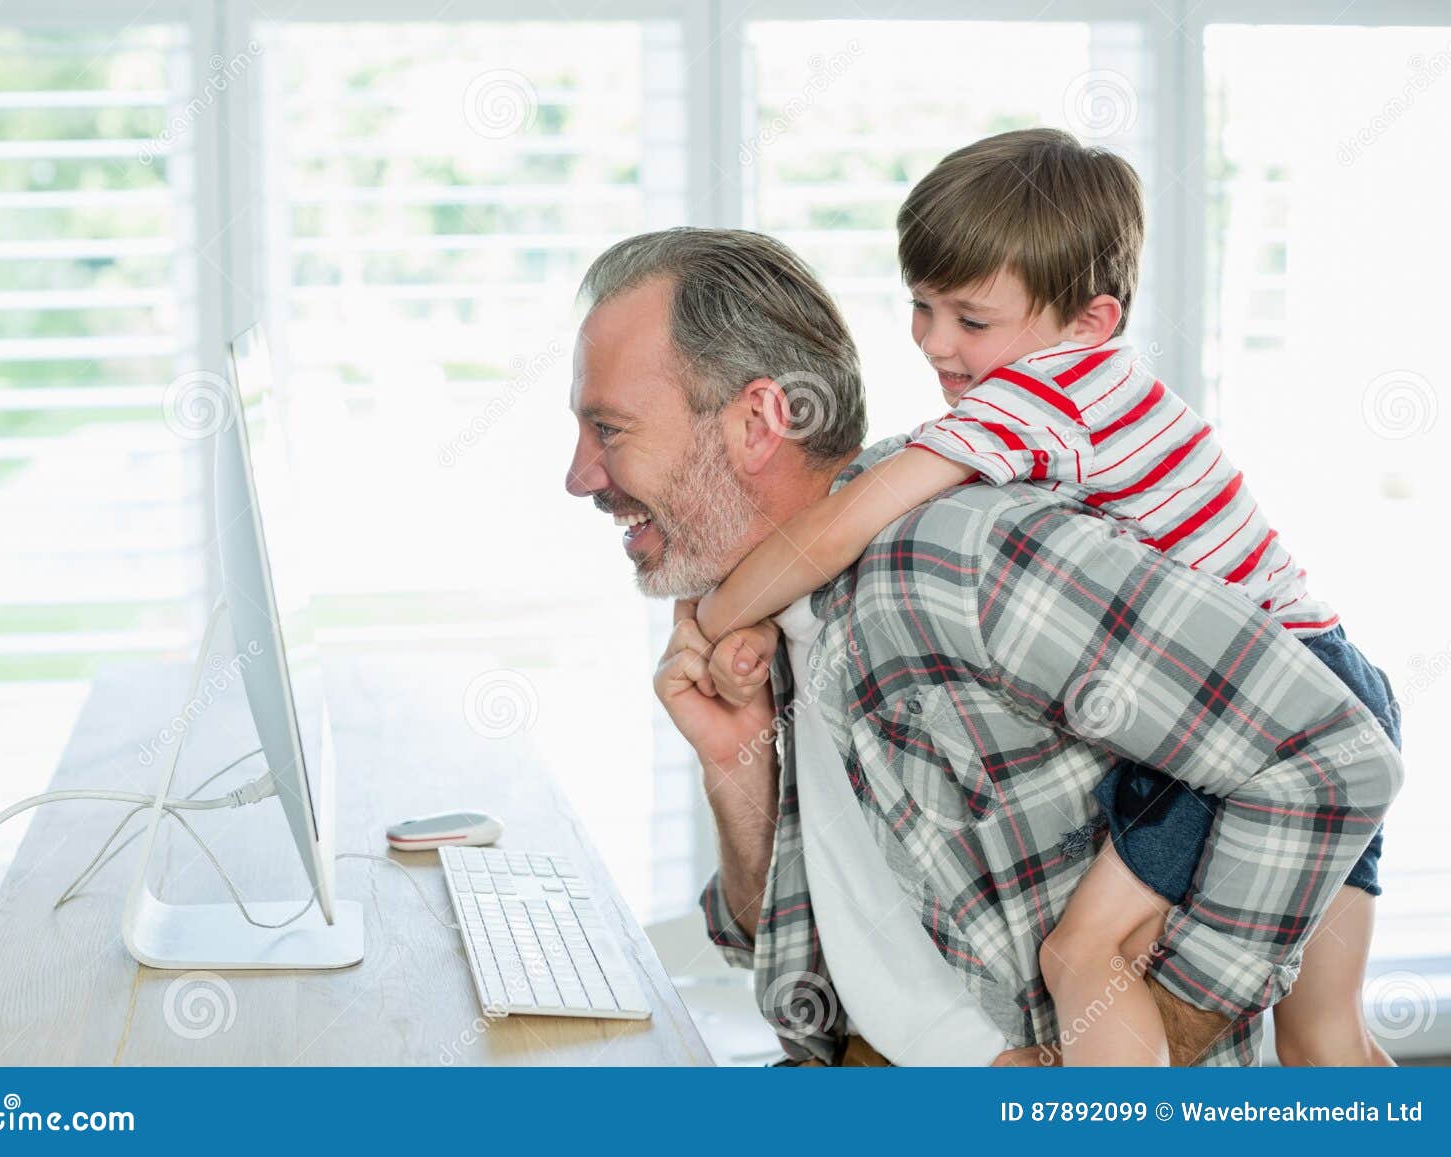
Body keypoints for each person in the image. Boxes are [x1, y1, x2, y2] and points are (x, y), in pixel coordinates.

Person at [564, 225, 1401, 1066]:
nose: (580, 475)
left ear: (757, 421)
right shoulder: (767, 621)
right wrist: (737, 763)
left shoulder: (958, 555)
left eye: (610, 428)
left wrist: (1148, 1051)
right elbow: (763, 943)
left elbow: (1331, 756)